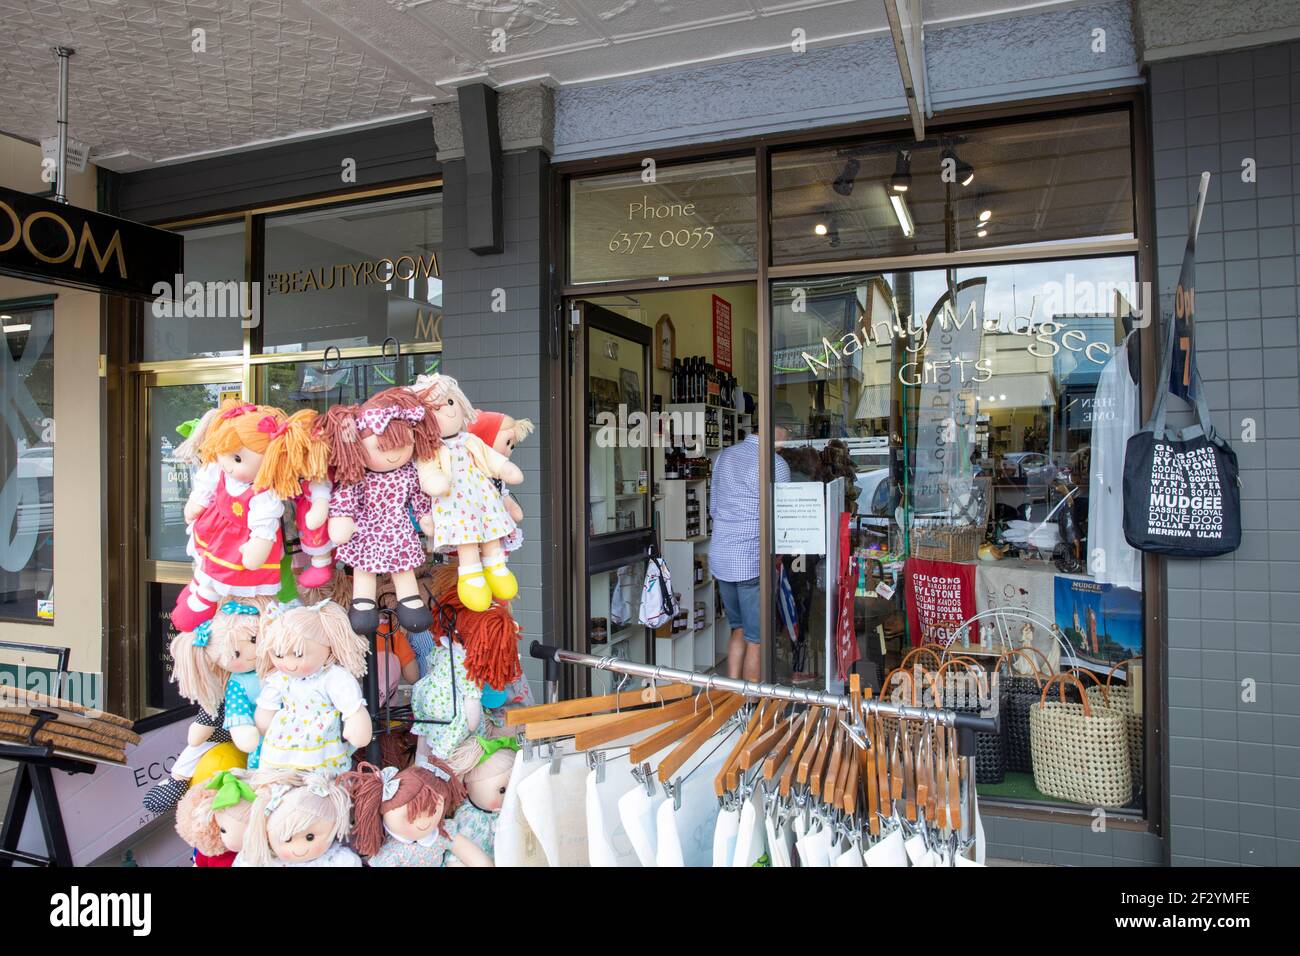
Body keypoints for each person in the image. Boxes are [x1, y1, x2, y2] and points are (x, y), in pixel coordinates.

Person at [709, 422, 791, 681]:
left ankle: (732, 697)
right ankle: (751, 705)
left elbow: (713, 507)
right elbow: (783, 514)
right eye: (786, 438)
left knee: (738, 629)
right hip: (752, 559)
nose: (786, 444)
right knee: (757, 638)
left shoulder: (724, 455)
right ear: (777, 430)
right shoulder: (774, 463)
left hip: (722, 556)